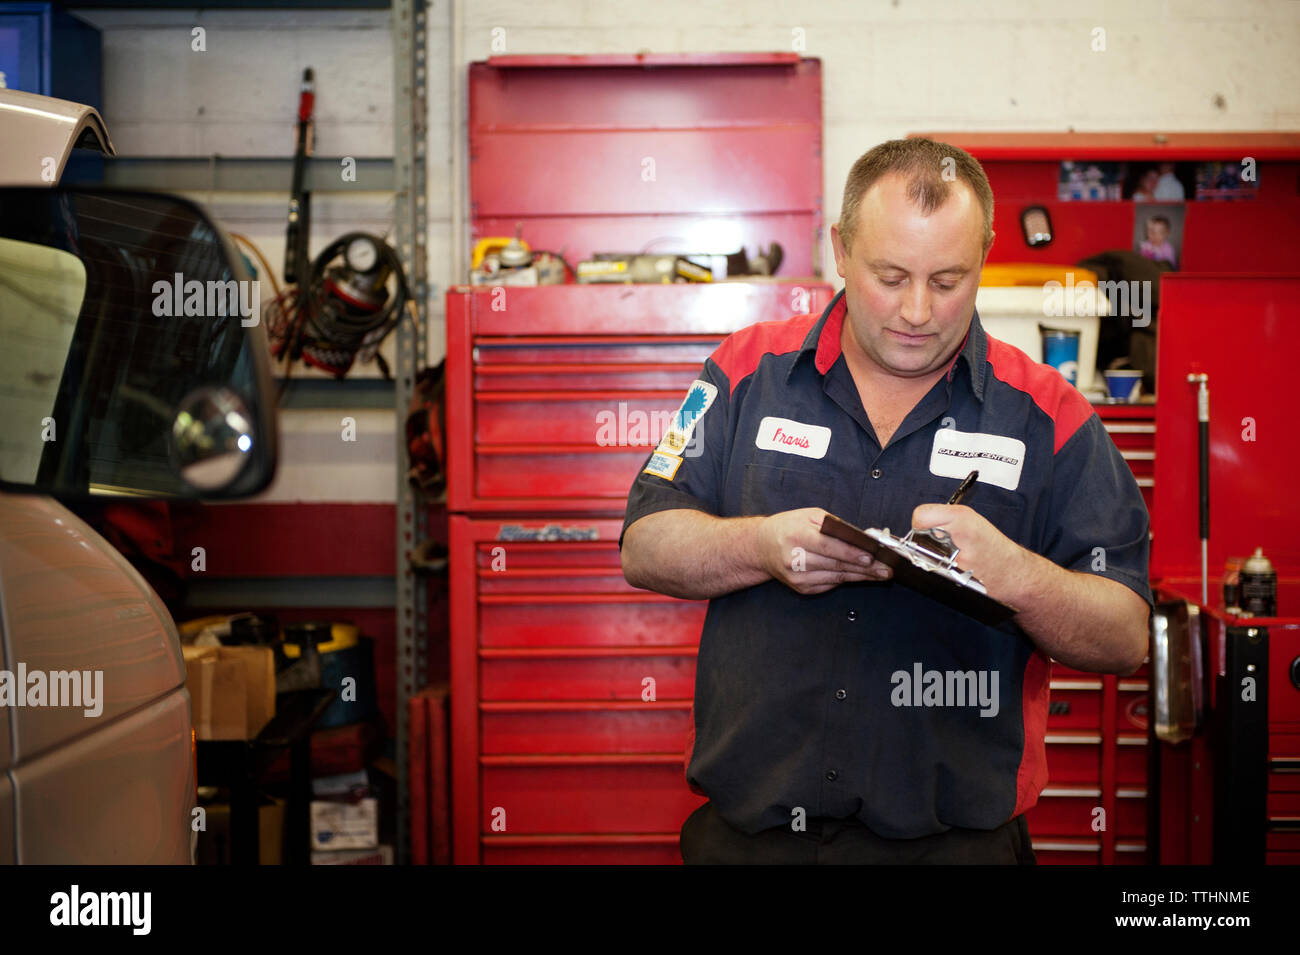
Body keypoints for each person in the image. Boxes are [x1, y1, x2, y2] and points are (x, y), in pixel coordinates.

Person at [619, 137, 1152, 865]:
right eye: (891, 276)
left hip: (955, 850)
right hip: (753, 842)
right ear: (841, 250)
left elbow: (1125, 635)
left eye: (948, 280)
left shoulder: (1050, 416)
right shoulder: (742, 372)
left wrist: (1016, 576)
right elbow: (644, 542)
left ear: (985, 258)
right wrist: (759, 546)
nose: (917, 310)